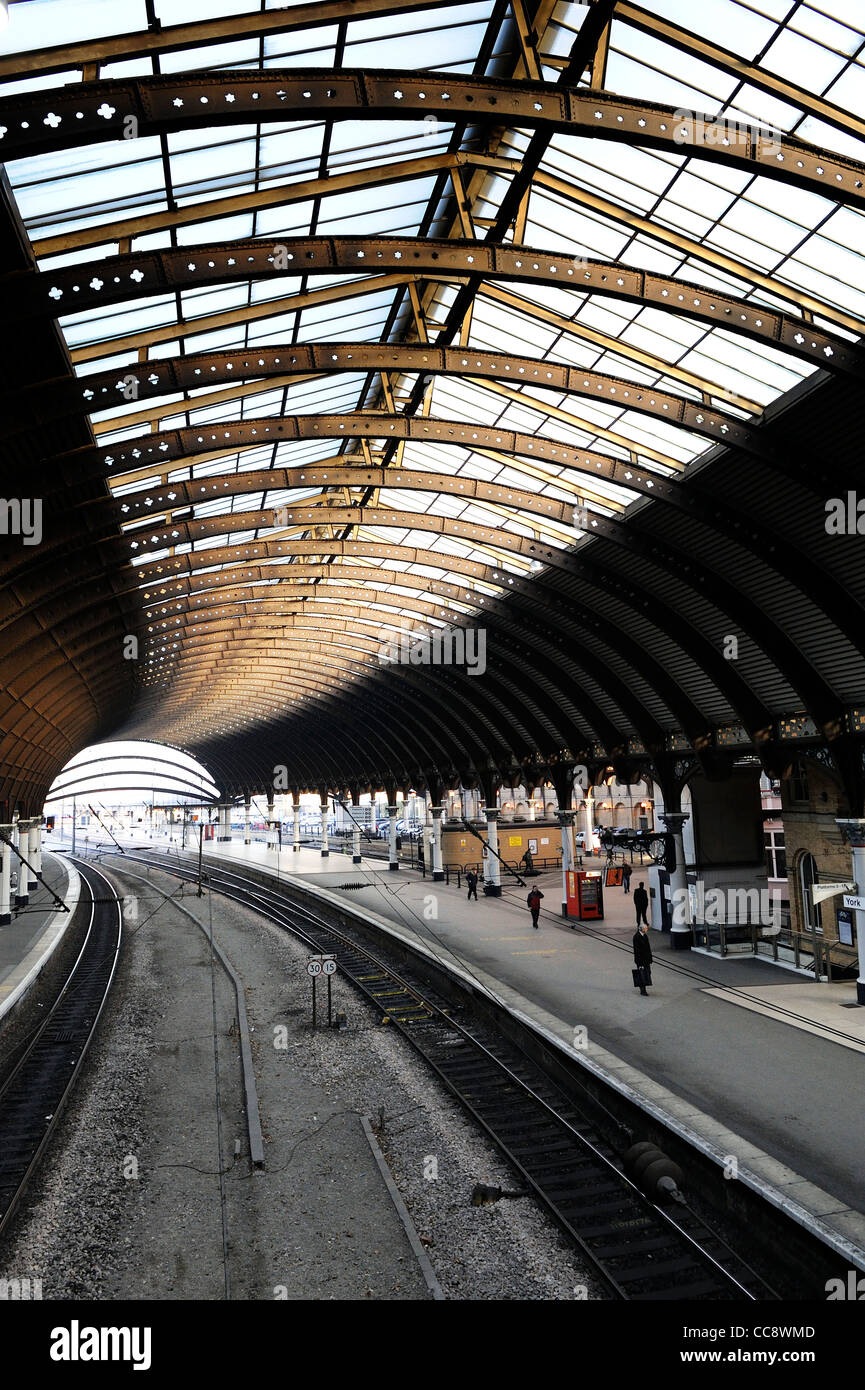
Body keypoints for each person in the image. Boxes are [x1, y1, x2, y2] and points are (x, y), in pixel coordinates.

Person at [633, 922, 653, 995]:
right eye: (645, 928)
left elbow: (648, 948)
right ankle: (642, 990)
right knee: (641, 974)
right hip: (640, 960)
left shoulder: (645, 936)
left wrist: (650, 958)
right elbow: (637, 951)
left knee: (648, 972)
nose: (646, 930)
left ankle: (644, 987)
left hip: (646, 959)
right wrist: (639, 962)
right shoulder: (636, 937)